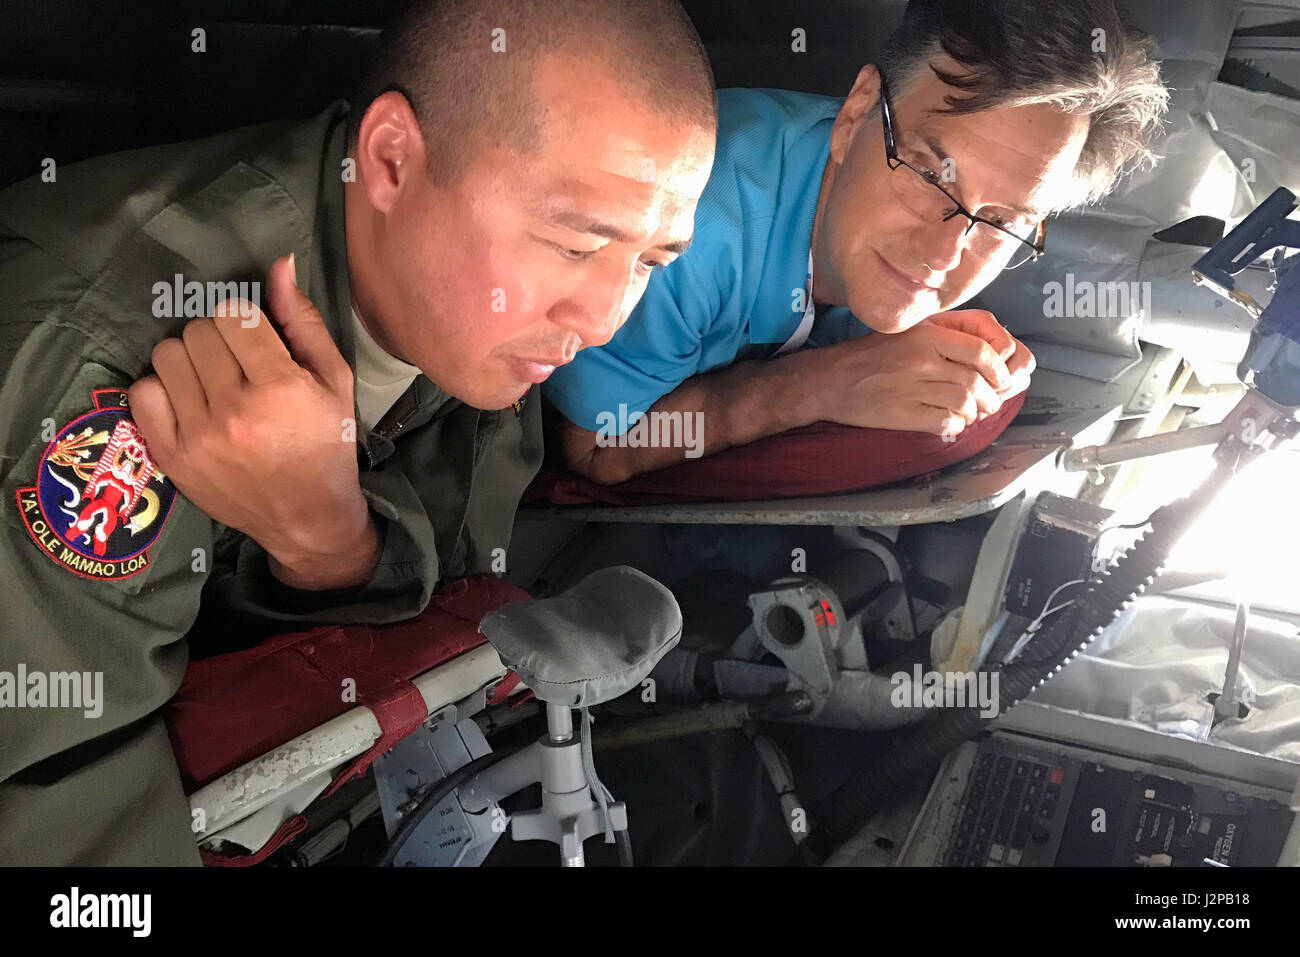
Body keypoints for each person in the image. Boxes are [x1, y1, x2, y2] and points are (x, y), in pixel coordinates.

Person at [0, 0, 715, 864]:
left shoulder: (479, 321)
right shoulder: (115, 371)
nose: (603, 317)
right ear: (390, 159)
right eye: (572, 245)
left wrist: (330, 543)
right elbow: (60, 817)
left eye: (647, 261)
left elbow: (443, 609)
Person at [545, 0, 1169, 485]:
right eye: (930, 175)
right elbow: (597, 445)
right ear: (855, 113)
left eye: (1002, 220)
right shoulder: (692, 225)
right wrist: (820, 386)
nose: (943, 254)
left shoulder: (911, 240)